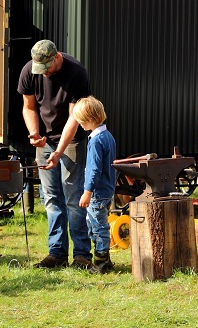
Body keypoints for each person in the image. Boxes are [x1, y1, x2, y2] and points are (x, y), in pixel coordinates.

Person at [18, 39, 92, 269]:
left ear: (57, 56)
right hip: (45, 141)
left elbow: (75, 117)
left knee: (73, 198)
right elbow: (29, 107)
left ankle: (81, 255)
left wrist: (59, 151)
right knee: (51, 199)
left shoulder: (77, 72)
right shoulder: (30, 70)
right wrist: (34, 134)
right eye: (41, 69)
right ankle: (56, 254)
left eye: (48, 67)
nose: (45, 73)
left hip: (72, 139)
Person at [73, 96, 117, 274]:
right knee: (97, 224)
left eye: (82, 121)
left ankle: (100, 264)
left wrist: (87, 192)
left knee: (98, 227)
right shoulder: (108, 136)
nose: (80, 124)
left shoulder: (96, 141)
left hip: (97, 192)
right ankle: (106, 260)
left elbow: (94, 170)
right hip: (107, 189)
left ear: (91, 119)